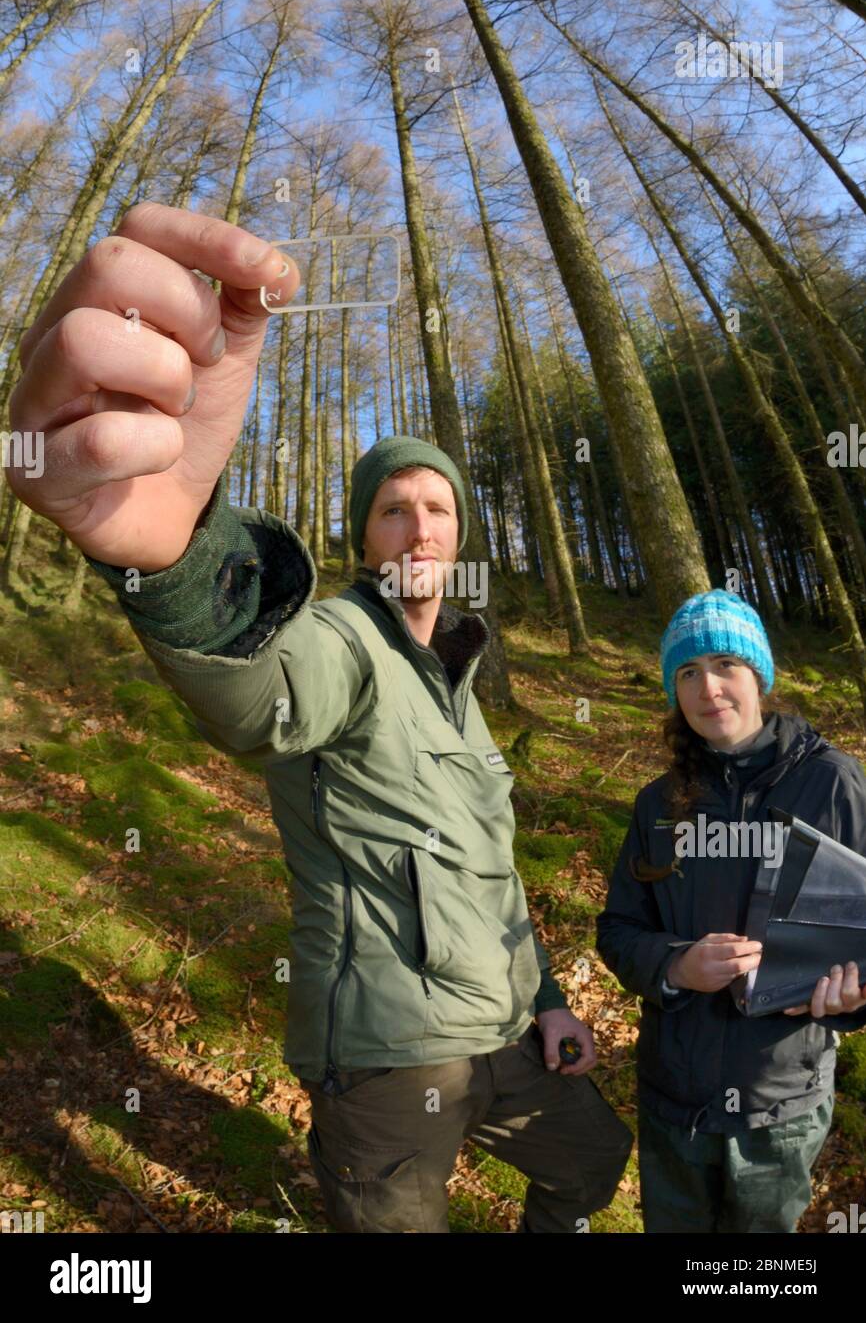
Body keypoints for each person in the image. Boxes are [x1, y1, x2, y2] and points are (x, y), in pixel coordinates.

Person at [5, 202, 632, 1234]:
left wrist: (552, 1001)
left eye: (437, 506)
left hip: (510, 1036)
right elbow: (265, 694)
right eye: (394, 507)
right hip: (387, 1054)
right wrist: (175, 561)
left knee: (596, 1161)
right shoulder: (344, 642)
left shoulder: (465, 692)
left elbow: (496, 878)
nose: (419, 522)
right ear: (368, 536)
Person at [597, 589, 866, 1234]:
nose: (707, 687)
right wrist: (675, 965)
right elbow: (618, 929)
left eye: (725, 665)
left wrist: (855, 995)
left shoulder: (834, 781)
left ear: (759, 677)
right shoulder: (658, 802)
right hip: (674, 1099)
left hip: (779, 1099)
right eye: (688, 672)